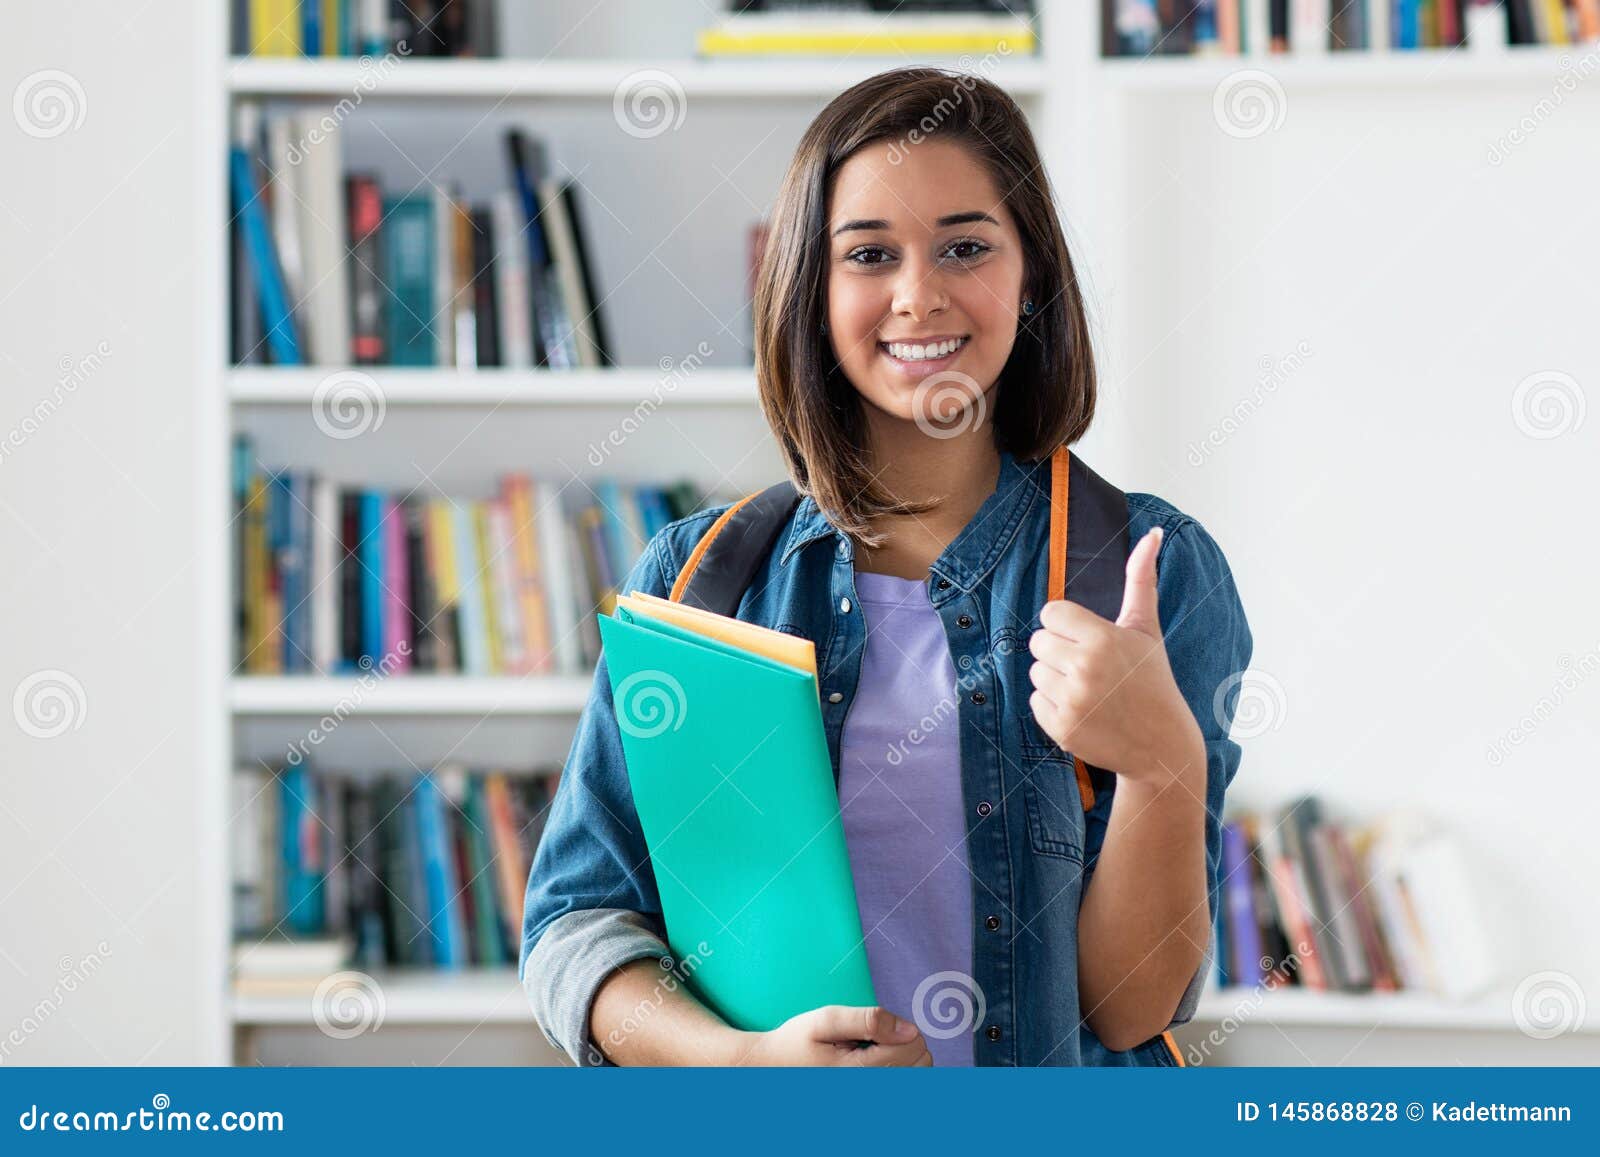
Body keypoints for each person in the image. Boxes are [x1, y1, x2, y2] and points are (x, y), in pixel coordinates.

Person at [520, 66, 1252, 1067]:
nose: (920, 294)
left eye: (964, 246)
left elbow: (1131, 1007)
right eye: (869, 254)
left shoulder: (1151, 572)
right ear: (809, 292)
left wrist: (1163, 761)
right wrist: (743, 1065)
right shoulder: (698, 578)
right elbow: (577, 926)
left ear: (1028, 272)